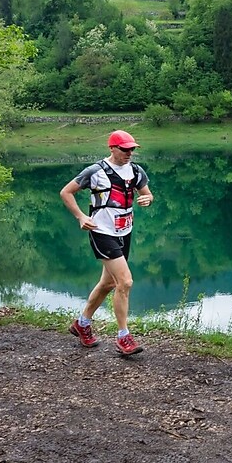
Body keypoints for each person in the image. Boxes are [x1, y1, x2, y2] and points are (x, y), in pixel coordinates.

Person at [60, 130, 154, 356]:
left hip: (125, 231)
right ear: (112, 148)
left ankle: (82, 324)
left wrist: (147, 199)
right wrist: (81, 216)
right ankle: (124, 338)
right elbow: (66, 192)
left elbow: (148, 193)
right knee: (125, 282)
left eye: (132, 149)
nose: (129, 153)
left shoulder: (136, 170)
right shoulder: (95, 171)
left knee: (108, 284)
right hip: (101, 231)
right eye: (124, 149)